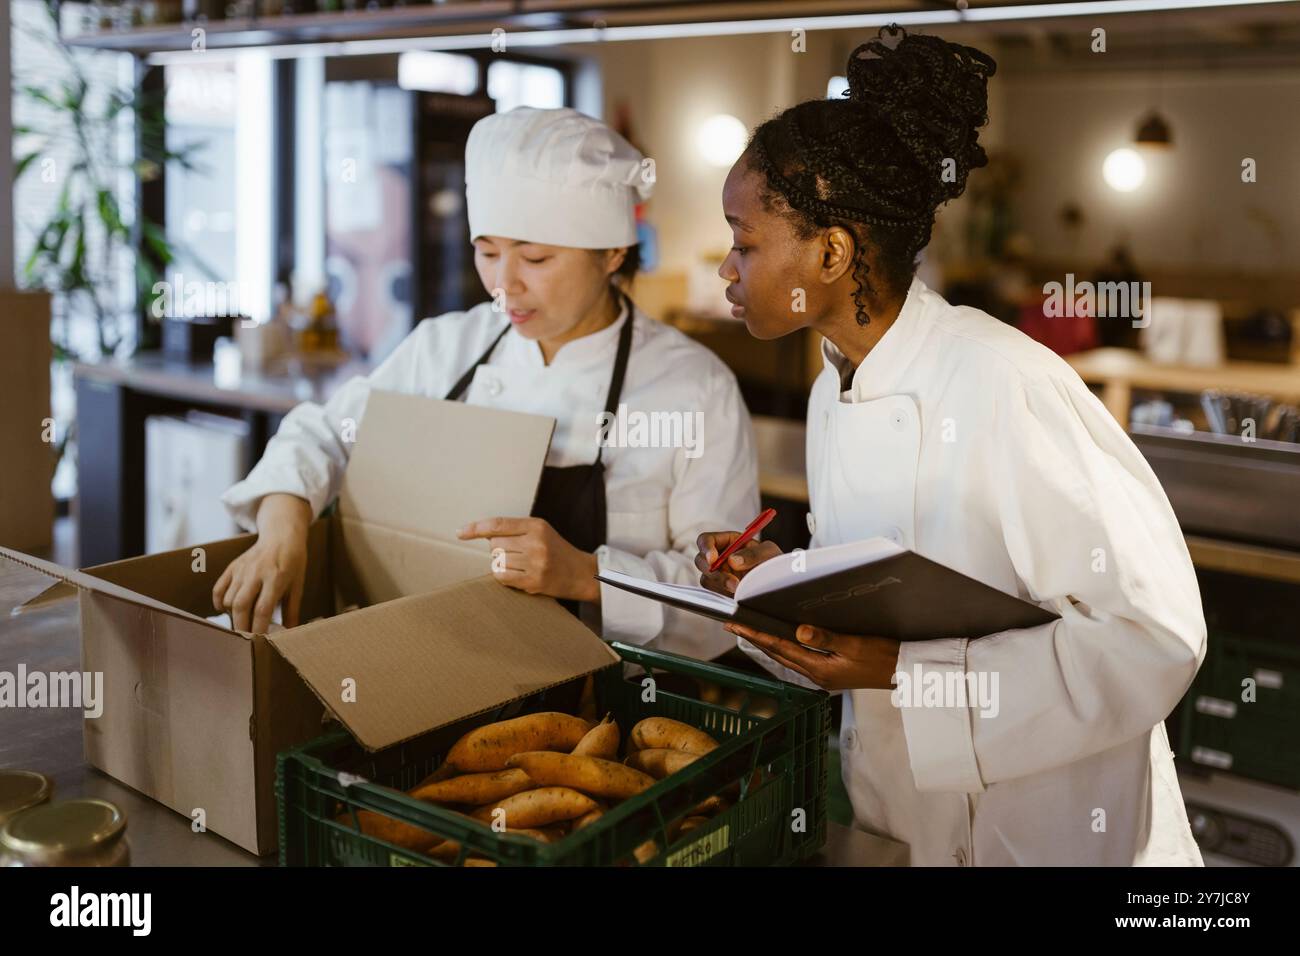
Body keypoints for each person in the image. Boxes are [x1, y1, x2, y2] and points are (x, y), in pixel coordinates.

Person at [696, 26, 1206, 866]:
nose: (726, 268)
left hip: (1049, 832)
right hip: (904, 819)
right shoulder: (837, 386)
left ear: (831, 252)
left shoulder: (1008, 385)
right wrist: (784, 592)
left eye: (744, 242)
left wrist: (906, 673)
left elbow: (1154, 637)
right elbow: (882, 601)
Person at [214, 106, 759, 661]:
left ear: (613, 253)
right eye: (488, 252)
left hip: (614, 705)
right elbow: (324, 434)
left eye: (536, 257)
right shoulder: (444, 347)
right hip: (439, 668)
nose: (505, 284)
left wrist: (588, 577)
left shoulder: (694, 387)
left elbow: (724, 597)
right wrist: (283, 526)